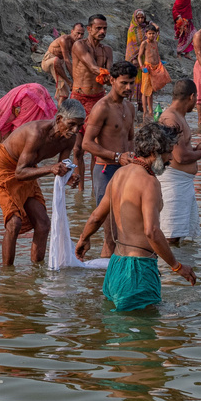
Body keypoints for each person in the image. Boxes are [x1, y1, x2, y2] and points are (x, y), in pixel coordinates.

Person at [75, 121, 196, 310]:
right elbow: (152, 231)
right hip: (138, 270)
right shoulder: (149, 183)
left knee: (118, 330)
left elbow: (96, 216)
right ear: (154, 152)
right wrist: (177, 266)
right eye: (168, 153)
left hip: (115, 266)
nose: (170, 158)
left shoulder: (120, 174)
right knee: (144, 336)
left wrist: (83, 239)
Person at [0, 101, 82, 266]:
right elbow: (19, 172)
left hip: (28, 168)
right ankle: (7, 275)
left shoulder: (69, 139)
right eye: (71, 124)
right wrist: (51, 168)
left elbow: (63, 166)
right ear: (59, 119)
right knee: (14, 222)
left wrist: (69, 178)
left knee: (44, 223)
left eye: (79, 126)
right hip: (5, 168)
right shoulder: (36, 133)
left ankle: (36, 271)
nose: (75, 130)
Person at [81, 60, 140, 256]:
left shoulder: (130, 107)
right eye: (124, 83)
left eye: (132, 83)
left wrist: (134, 162)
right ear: (112, 81)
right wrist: (117, 156)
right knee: (111, 234)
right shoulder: (102, 107)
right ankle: (104, 284)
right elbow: (87, 143)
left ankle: (114, 280)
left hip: (126, 171)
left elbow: (130, 139)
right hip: (106, 172)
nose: (129, 87)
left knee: (126, 232)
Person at [156, 79, 201, 245]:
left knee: (180, 236)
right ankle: (169, 269)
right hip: (173, 183)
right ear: (192, 97)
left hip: (182, 183)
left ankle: (179, 267)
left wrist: (199, 151)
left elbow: (183, 151)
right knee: (170, 235)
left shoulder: (178, 117)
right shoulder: (170, 119)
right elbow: (180, 157)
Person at [70, 14, 115, 127]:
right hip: (79, 97)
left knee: (98, 131)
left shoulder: (108, 50)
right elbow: (93, 67)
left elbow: (108, 77)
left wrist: (116, 80)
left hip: (98, 97)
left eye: (104, 28)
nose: (102, 31)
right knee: (74, 133)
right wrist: (113, 76)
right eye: (98, 28)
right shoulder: (79, 45)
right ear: (89, 29)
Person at [42, 22, 84, 102]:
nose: (79, 36)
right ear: (72, 31)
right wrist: (72, 80)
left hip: (59, 64)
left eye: (81, 34)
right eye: (77, 33)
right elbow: (67, 60)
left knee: (64, 95)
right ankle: (68, 83)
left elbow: (76, 61)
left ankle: (59, 108)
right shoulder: (64, 40)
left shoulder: (77, 43)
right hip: (49, 61)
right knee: (64, 91)